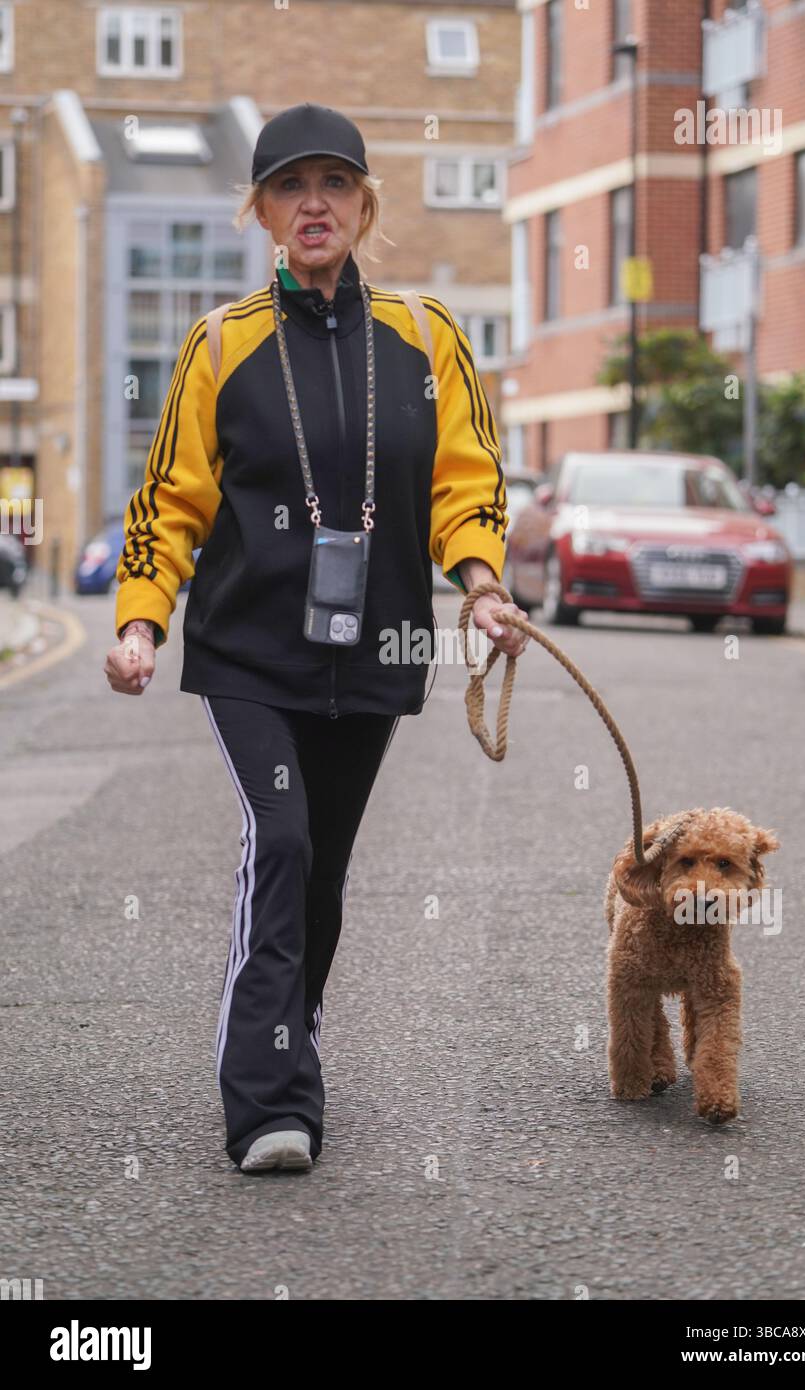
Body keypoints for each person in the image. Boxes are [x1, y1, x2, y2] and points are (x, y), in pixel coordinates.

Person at [104, 102, 527, 1174]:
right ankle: (268, 1102)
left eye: (334, 183)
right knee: (280, 842)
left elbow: (463, 481)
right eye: (291, 187)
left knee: (324, 874)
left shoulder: (428, 340)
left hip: (376, 652)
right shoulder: (220, 344)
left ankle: (294, 1036)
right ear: (260, 211)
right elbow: (170, 504)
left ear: (364, 204)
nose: (313, 203)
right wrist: (141, 622)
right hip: (250, 652)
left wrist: (479, 584)